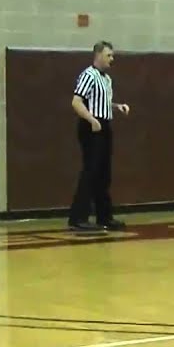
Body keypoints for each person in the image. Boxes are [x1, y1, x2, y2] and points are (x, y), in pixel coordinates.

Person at [68, 41, 130, 232]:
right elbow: (76, 102)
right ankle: (78, 218)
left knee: (104, 174)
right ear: (98, 55)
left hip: (105, 125)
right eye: (109, 55)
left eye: (112, 55)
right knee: (90, 172)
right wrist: (91, 119)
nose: (112, 59)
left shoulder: (107, 79)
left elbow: (102, 102)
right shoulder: (88, 75)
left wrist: (116, 106)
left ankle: (105, 217)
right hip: (91, 127)